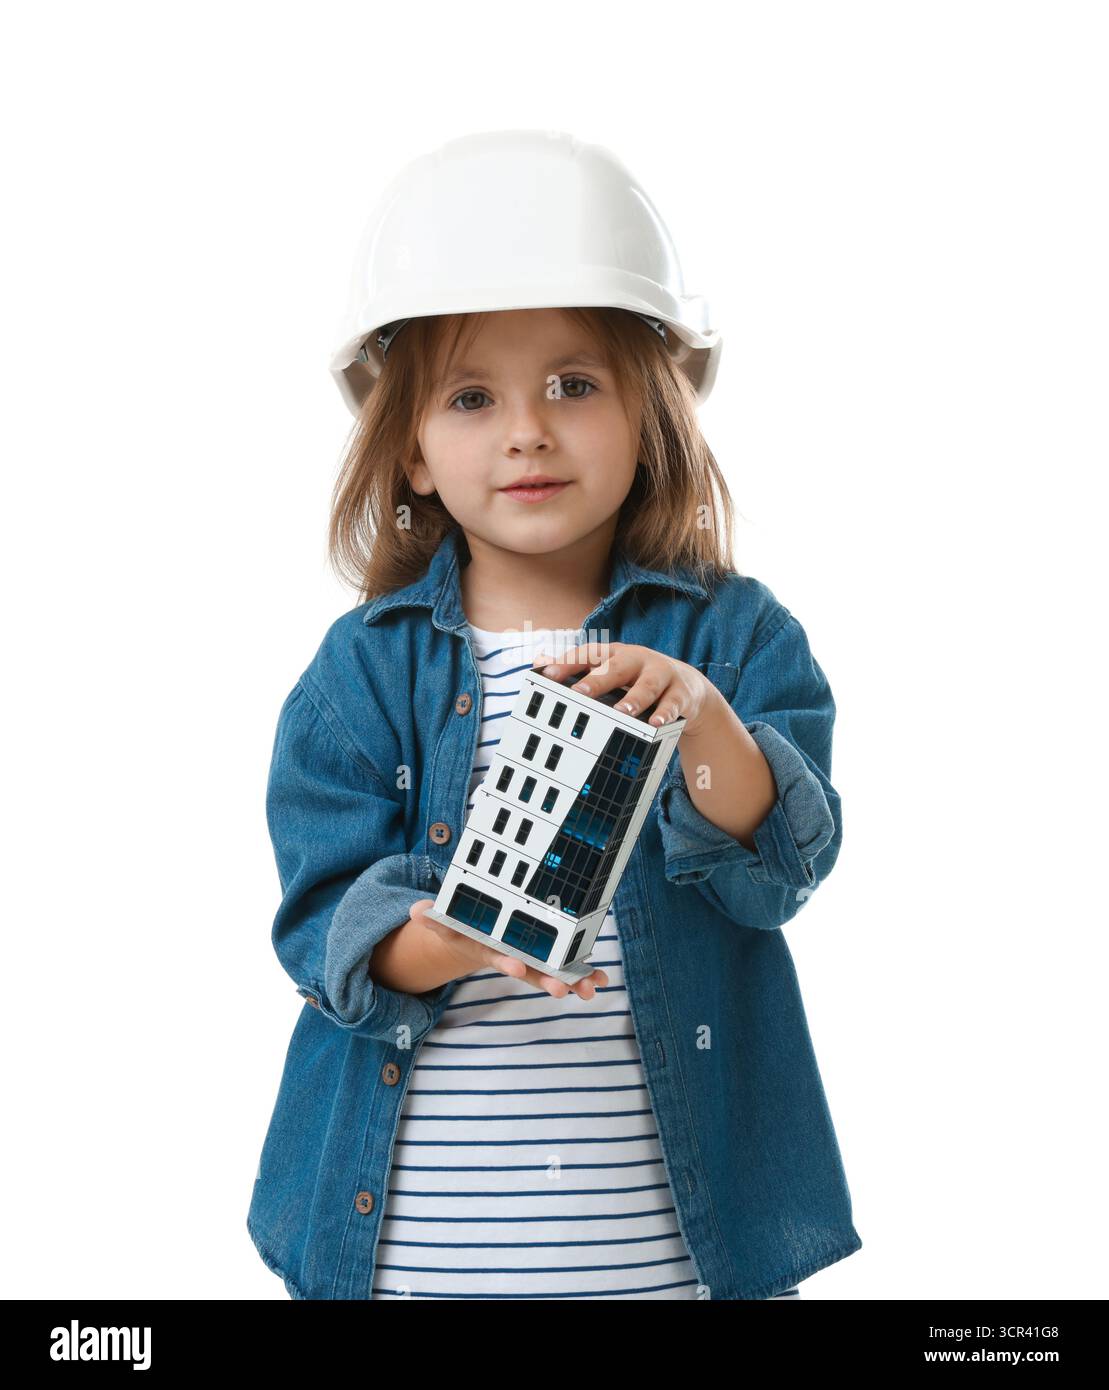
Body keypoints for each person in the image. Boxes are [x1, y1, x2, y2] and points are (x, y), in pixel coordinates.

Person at [246, 130, 861, 1301]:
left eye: (573, 385)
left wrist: (706, 730)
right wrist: (469, 929)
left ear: (650, 413)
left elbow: (777, 872)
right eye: (471, 397)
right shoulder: (362, 672)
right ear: (413, 453)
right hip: (417, 1244)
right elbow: (328, 937)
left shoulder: (733, 638)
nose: (526, 428)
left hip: (665, 1257)